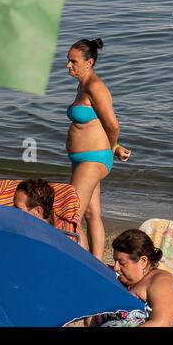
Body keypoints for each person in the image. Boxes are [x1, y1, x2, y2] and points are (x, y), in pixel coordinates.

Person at [64, 38, 130, 259]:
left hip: (93, 160)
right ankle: (97, 263)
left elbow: (113, 124)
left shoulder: (95, 86)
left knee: (70, 215)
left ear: (89, 62)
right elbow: (98, 124)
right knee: (92, 214)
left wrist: (110, 148)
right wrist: (117, 147)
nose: (68, 65)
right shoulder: (82, 85)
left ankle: (80, 263)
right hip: (84, 159)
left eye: (73, 61)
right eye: (68, 60)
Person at [97, 229, 173, 328]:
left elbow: (163, 323)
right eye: (115, 261)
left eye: (122, 263)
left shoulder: (163, 282)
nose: (116, 267)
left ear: (143, 261)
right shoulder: (126, 280)